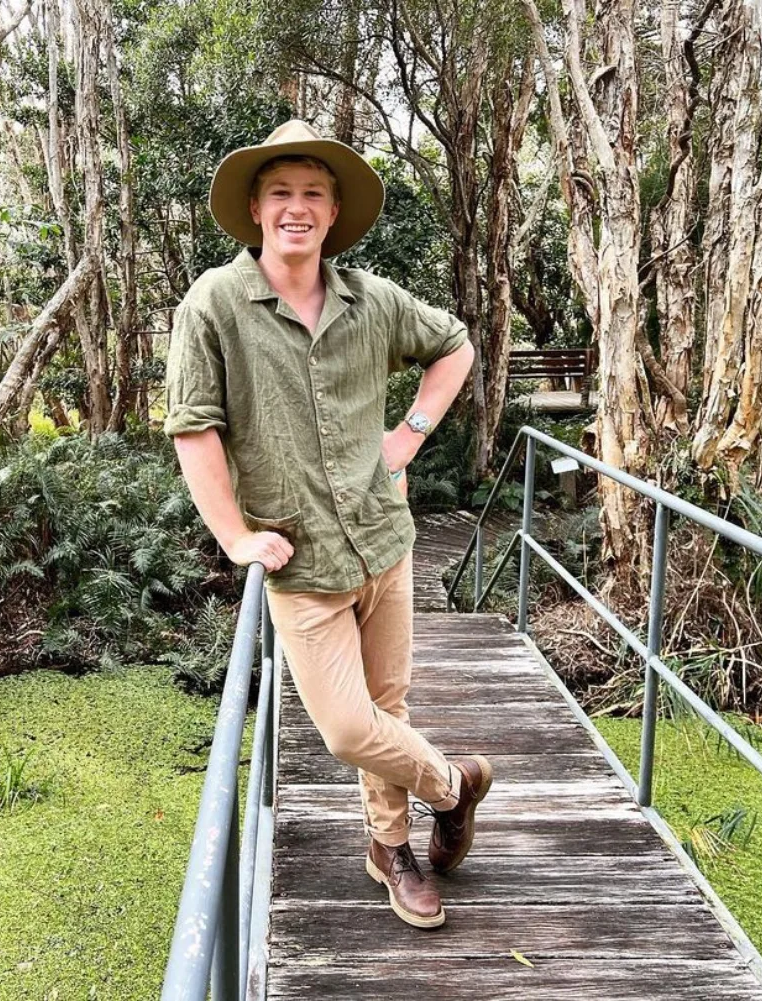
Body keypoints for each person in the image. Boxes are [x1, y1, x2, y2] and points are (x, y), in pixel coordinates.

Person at [163, 119, 491, 929]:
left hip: (385, 539)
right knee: (350, 728)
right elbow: (192, 427)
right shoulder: (214, 304)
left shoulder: (372, 301)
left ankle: (391, 850)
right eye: (281, 192)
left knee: (389, 705)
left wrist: (409, 431)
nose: (296, 208)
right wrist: (235, 536)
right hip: (299, 561)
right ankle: (453, 787)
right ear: (255, 207)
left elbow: (455, 345)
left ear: (335, 209)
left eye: (313, 192)